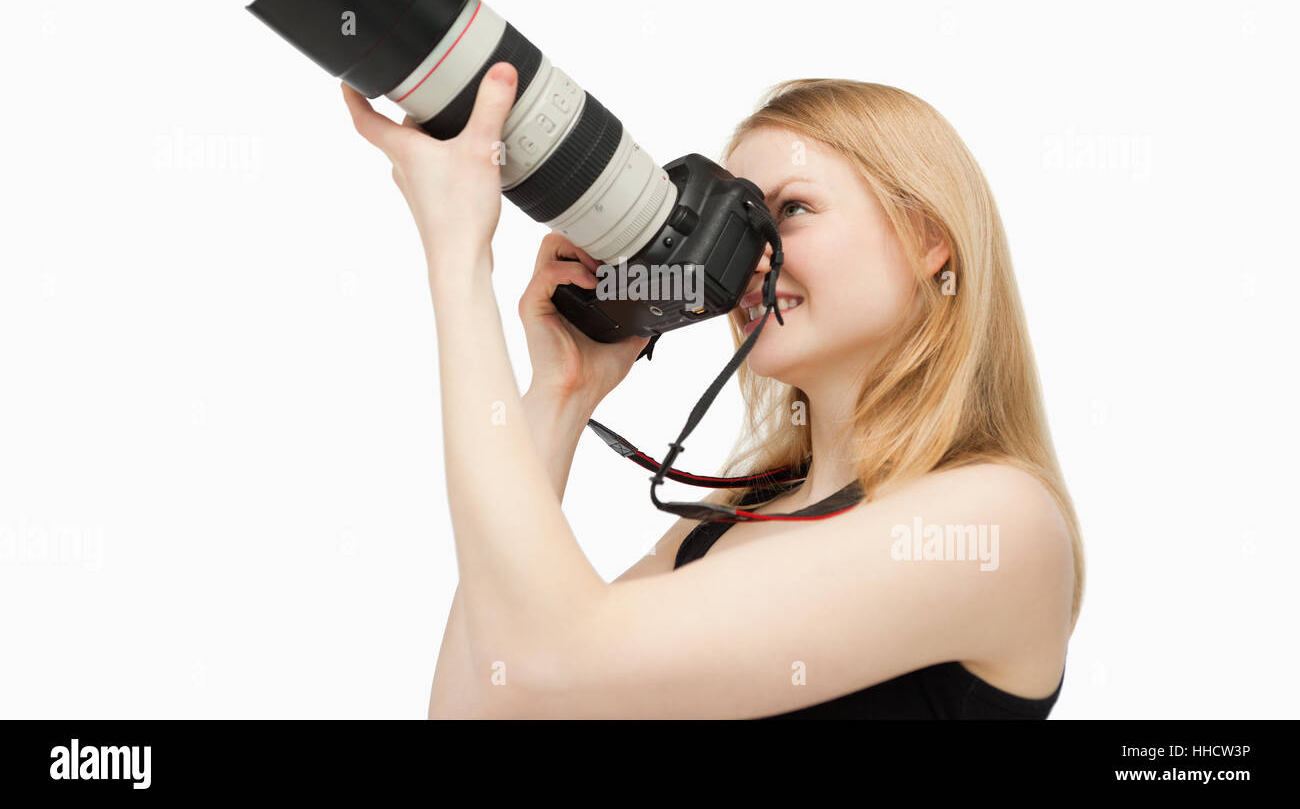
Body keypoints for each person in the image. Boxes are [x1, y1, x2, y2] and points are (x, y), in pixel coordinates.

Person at [342, 66, 1084, 719]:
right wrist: (559, 397)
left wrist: (456, 253)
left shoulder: (995, 523)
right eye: (736, 222)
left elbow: (556, 659)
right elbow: (489, 704)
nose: (750, 261)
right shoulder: (718, 533)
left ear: (928, 241)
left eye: (790, 210)